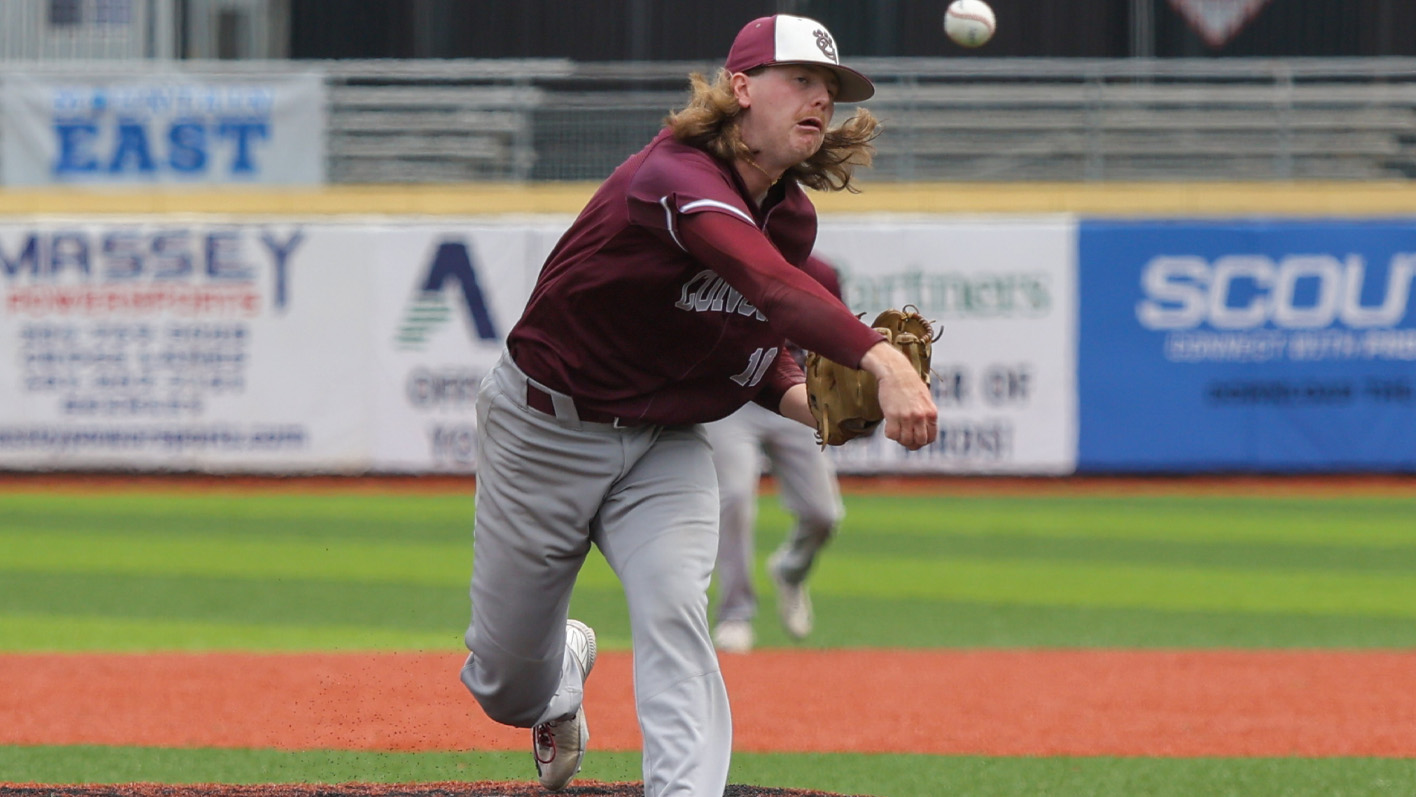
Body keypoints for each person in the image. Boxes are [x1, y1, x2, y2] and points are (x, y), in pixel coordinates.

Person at [458, 13, 938, 797]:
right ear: (742, 88)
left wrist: (810, 404)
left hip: (668, 442)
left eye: (831, 88)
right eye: (801, 81)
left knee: (676, 614)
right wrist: (878, 356)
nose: (820, 100)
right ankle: (562, 669)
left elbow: (751, 345)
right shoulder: (673, 177)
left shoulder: (791, 217)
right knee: (505, 685)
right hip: (544, 429)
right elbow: (768, 284)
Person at [706, 256, 847, 655]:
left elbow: (838, 339)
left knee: (823, 513)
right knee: (733, 498)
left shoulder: (820, 272)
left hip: (795, 393)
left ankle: (790, 570)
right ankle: (735, 614)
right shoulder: (727, 259)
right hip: (733, 398)